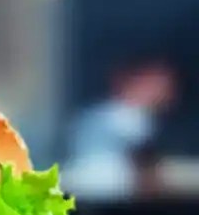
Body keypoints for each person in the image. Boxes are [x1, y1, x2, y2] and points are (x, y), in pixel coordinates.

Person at [65, 57, 176, 200]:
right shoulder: (108, 117)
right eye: (155, 84)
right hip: (96, 196)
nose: (164, 93)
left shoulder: (144, 120)